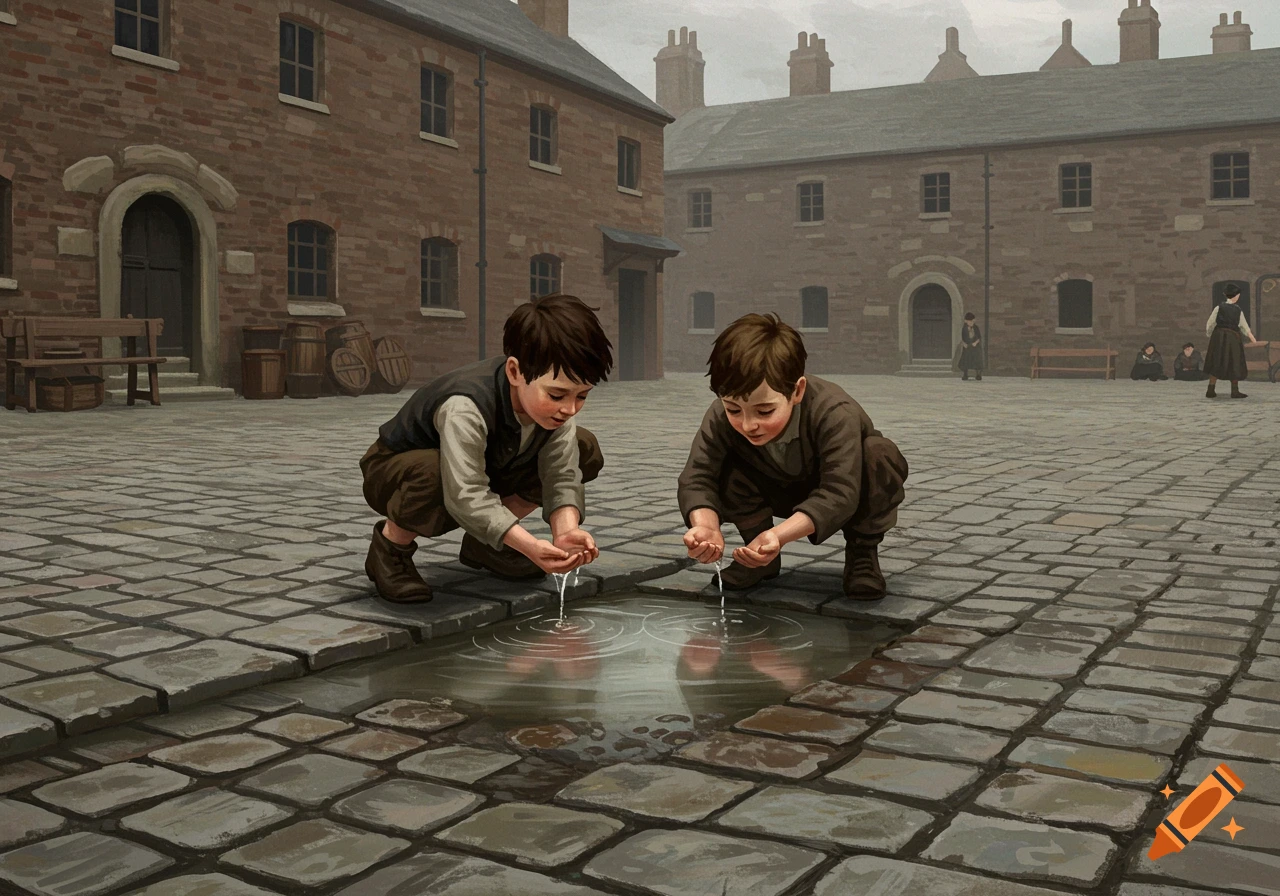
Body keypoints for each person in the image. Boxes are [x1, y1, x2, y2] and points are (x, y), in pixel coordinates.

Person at [360, 294, 610, 604]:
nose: (570, 409)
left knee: (582, 446)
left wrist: (565, 531)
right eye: (557, 395)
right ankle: (390, 550)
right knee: (432, 472)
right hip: (396, 471)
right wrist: (530, 546)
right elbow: (465, 493)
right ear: (515, 372)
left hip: (487, 462)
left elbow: (560, 473)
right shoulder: (465, 406)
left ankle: (489, 545)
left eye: (581, 396)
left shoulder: (553, 412)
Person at [677, 313, 909, 601]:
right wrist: (706, 526)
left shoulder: (835, 411)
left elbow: (841, 491)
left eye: (764, 411)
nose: (748, 424)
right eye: (733, 409)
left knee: (879, 458)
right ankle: (758, 556)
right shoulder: (719, 417)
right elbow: (698, 477)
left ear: (796, 391)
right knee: (726, 466)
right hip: (774, 486)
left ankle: (862, 553)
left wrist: (780, 535)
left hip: (842, 494)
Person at [1204, 284, 1256, 399]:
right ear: (1236, 296)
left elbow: (1210, 324)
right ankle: (1234, 391)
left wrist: (1210, 334)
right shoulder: (1237, 310)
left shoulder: (1219, 308)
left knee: (1217, 361)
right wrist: (1252, 338)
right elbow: (1244, 326)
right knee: (1234, 362)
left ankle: (1211, 389)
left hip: (1219, 337)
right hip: (1232, 338)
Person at [958, 312, 983, 381]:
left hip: (975, 346)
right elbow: (963, 338)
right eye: (970, 321)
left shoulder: (976, 327)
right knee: (966, 360)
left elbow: (979, 337)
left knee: (977, 360)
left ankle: (978, 374)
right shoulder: (964, 328)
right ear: (966, 321)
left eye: (972, 321)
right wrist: (964, 344)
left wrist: (975, 343)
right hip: (967, 346)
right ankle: (965, 374)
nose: (971, 323)